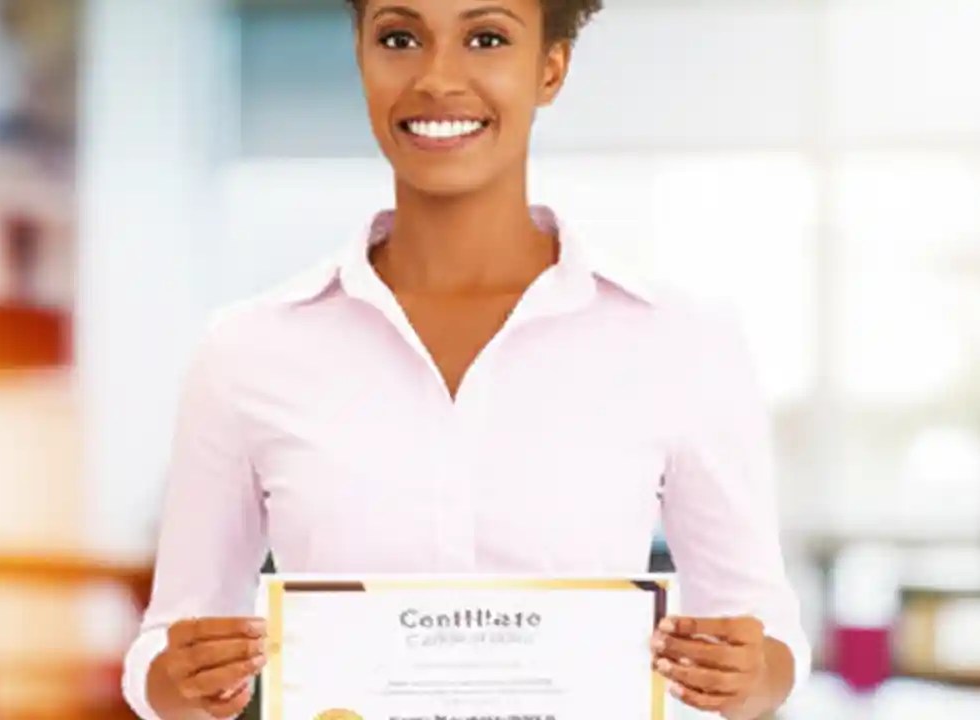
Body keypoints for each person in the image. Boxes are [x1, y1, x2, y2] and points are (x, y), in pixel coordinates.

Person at [122, 1, 811, 718]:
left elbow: (767, 633)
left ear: (551, 68)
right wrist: (182, 682)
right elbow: (163, 647)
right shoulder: (246, 352)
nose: (437, 77)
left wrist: (749, 673)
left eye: (486, 39)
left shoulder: (681, 342)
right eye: (399, 38)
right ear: (360, 55)